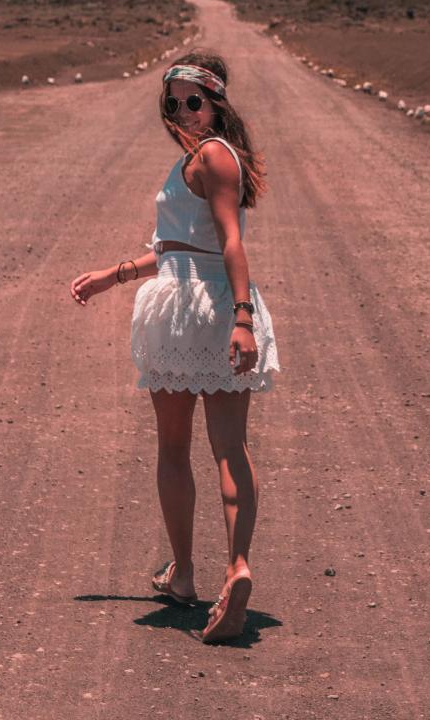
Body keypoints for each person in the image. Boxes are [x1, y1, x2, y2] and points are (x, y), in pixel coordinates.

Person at [70, 51, 280, 644]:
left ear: (216, 103)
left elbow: (231, 242)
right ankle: (230, 568)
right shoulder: (204, 158)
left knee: (176, 447)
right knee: (228, 446)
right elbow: (175, 247)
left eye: (194, 100)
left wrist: (243, 317)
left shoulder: (213, 154)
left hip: (197, 307)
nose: (183, 110)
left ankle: (191, 573)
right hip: (196, 296)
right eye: (173, 102)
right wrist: (113, 275)